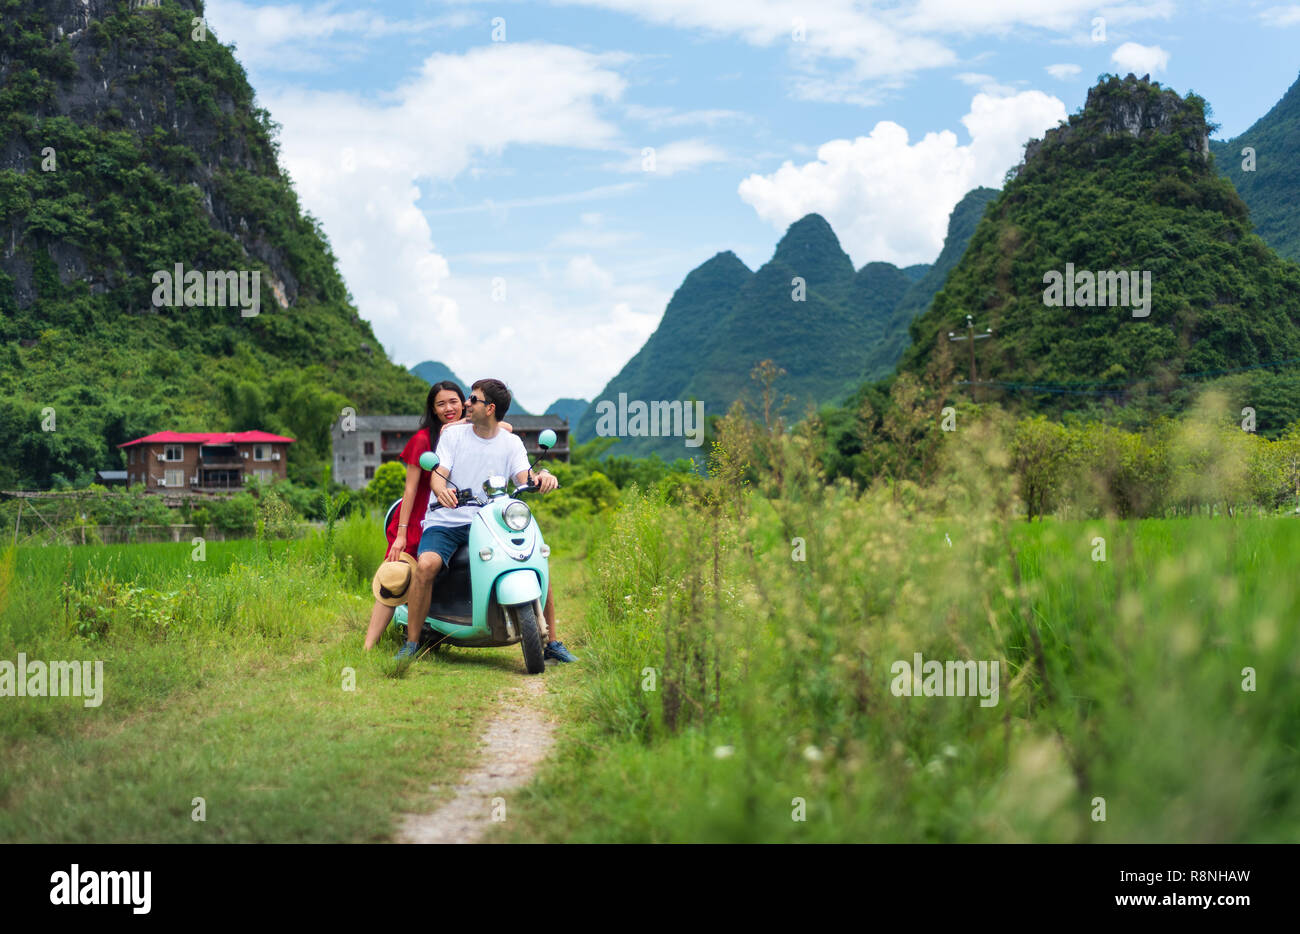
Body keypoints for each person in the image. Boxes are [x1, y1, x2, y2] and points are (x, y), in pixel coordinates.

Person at [396, 378, 577, 663]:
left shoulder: (511, 442)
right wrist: (441, 489)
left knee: (534, 559)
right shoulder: (453, 437)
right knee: (427, 565)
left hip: (490, 519)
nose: (465, 404)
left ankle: (552, 642)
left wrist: (543, 477)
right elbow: (438, 472)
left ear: (490, 408)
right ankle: (413, 643)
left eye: (472, 400)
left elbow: (523, 477)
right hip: (447, 519)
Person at [363, 380, 517, 649]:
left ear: (465, 403)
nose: (449, 408)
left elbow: (506, 428)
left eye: (454, 402)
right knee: (397, 576)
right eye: (441, 404)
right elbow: (409, 491)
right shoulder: (424, 439)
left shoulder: (472, 431)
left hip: (459, 511)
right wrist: (401, 534)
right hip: (418, 515)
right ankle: (369, 645)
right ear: (432, 409)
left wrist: (458, 426)